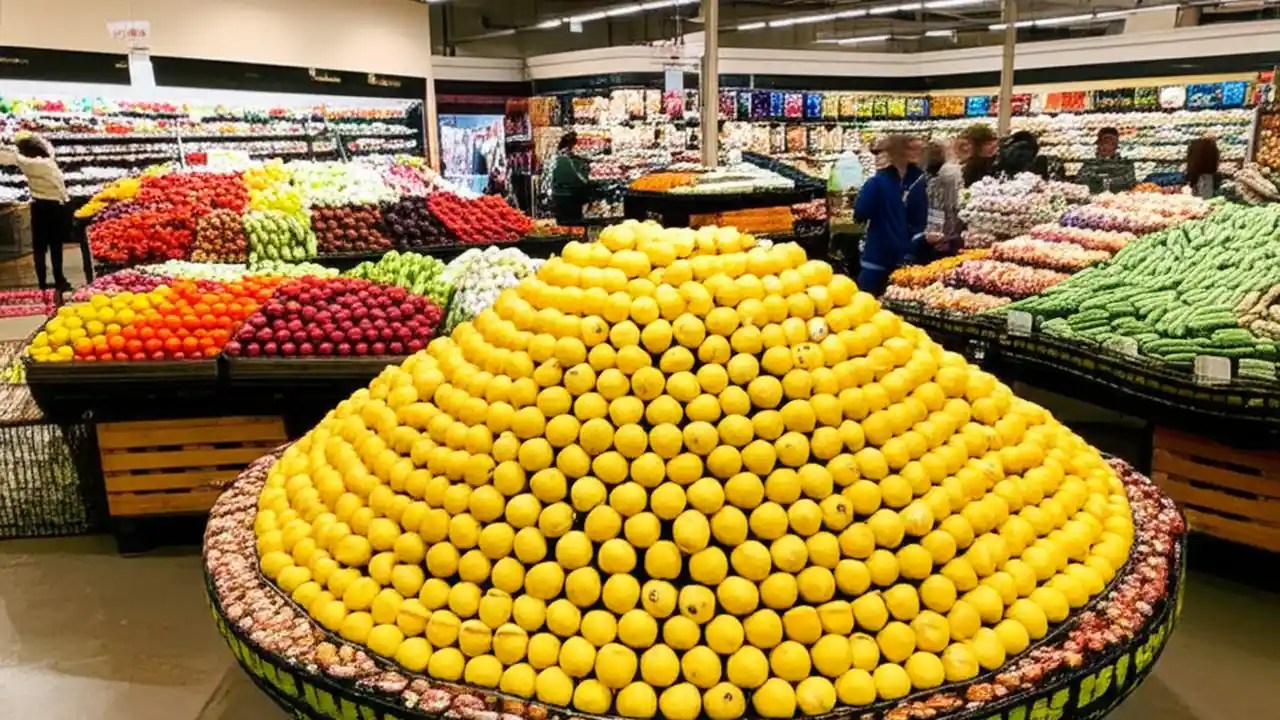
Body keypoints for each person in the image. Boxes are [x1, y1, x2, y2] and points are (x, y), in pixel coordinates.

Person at [853, 135, 927, 297]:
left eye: (880, 153)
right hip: (905, 256)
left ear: (891, 155)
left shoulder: (876, 183)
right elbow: (919, 217)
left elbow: (860, 213)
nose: (877, 158)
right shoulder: (919, 181)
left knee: (867, 304)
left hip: (877, 255)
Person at [0, 133, 74, 291]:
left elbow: (5, 155)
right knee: (56, 245)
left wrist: (13, 146)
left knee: (39, 247)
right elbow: (50, 151)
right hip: (55, 206)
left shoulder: (23, 162)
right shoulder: (47, 163)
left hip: (38, 206)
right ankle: (59, 279)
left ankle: (41, 281)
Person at [921, 140, 962, 260]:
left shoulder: (927, 180)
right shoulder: (949, 176)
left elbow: (935, 210)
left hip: (939, 237)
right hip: (949, 237)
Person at [549, 131, 591, 226]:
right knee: (574, 222)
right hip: (571, 196)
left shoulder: (556, 157)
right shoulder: (570, 160)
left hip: (559, 195)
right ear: (572, 145)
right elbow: (581, 179)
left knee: (563, 223)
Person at [1077, 127, 1136, 194]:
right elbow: (1081, 182)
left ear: (1116, 146)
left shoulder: (1126, 164)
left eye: (1110, 143)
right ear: (1098, 145)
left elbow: (1129, 182)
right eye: (1103, 143)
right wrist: (1113, 181)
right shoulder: (1089, 164)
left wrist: (1099, 181)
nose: (1106, 146)